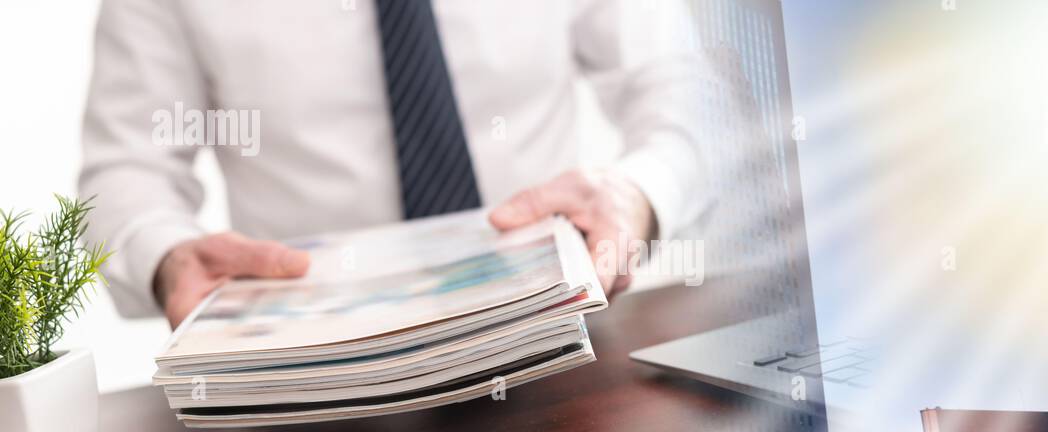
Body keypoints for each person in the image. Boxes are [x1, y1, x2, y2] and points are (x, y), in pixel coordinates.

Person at [79, 0, 707, 328]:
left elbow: (686, 89)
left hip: (564, 349)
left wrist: (641, 194)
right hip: (315, 400)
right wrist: (167, 258)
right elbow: (127, 168)